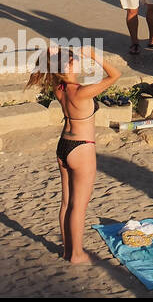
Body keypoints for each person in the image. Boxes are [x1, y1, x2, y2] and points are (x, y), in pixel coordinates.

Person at [29, 44, 121, 263]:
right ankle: (77, 254)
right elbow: (115, 75)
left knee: (66, 203)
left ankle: (67, 249)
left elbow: (56, 65)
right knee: (78, 207)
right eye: (75, 58)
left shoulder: (59, 87)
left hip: (63, 146)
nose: (79, 60)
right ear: (69, 65)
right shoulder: (81, 91)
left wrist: (60, 52)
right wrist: (95, 55)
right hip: (82, 147)